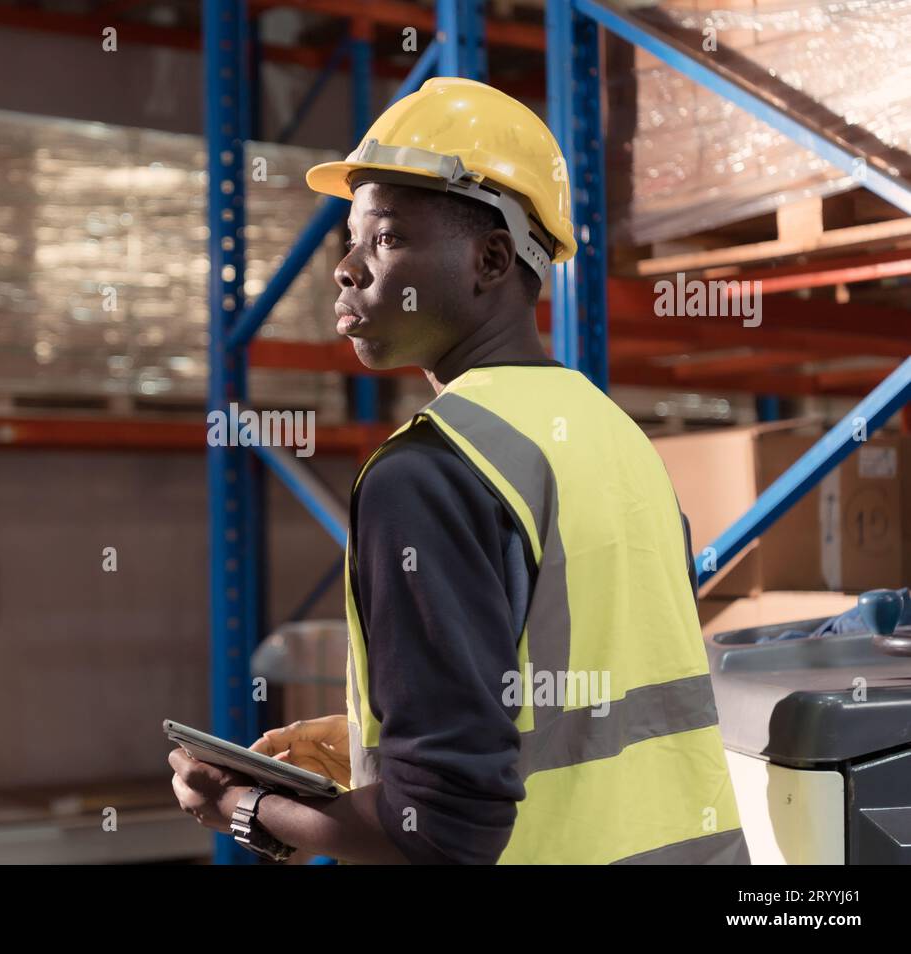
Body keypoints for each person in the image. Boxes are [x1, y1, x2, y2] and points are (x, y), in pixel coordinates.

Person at [170, 77, 750, 865]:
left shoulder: (430, 473)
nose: (344, 269)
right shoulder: (615, 439)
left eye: (384, 239)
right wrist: (380, 746)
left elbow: (442, 833)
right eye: (350, 240)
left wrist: (247, 805)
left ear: (490, 258)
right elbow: (585, 705)